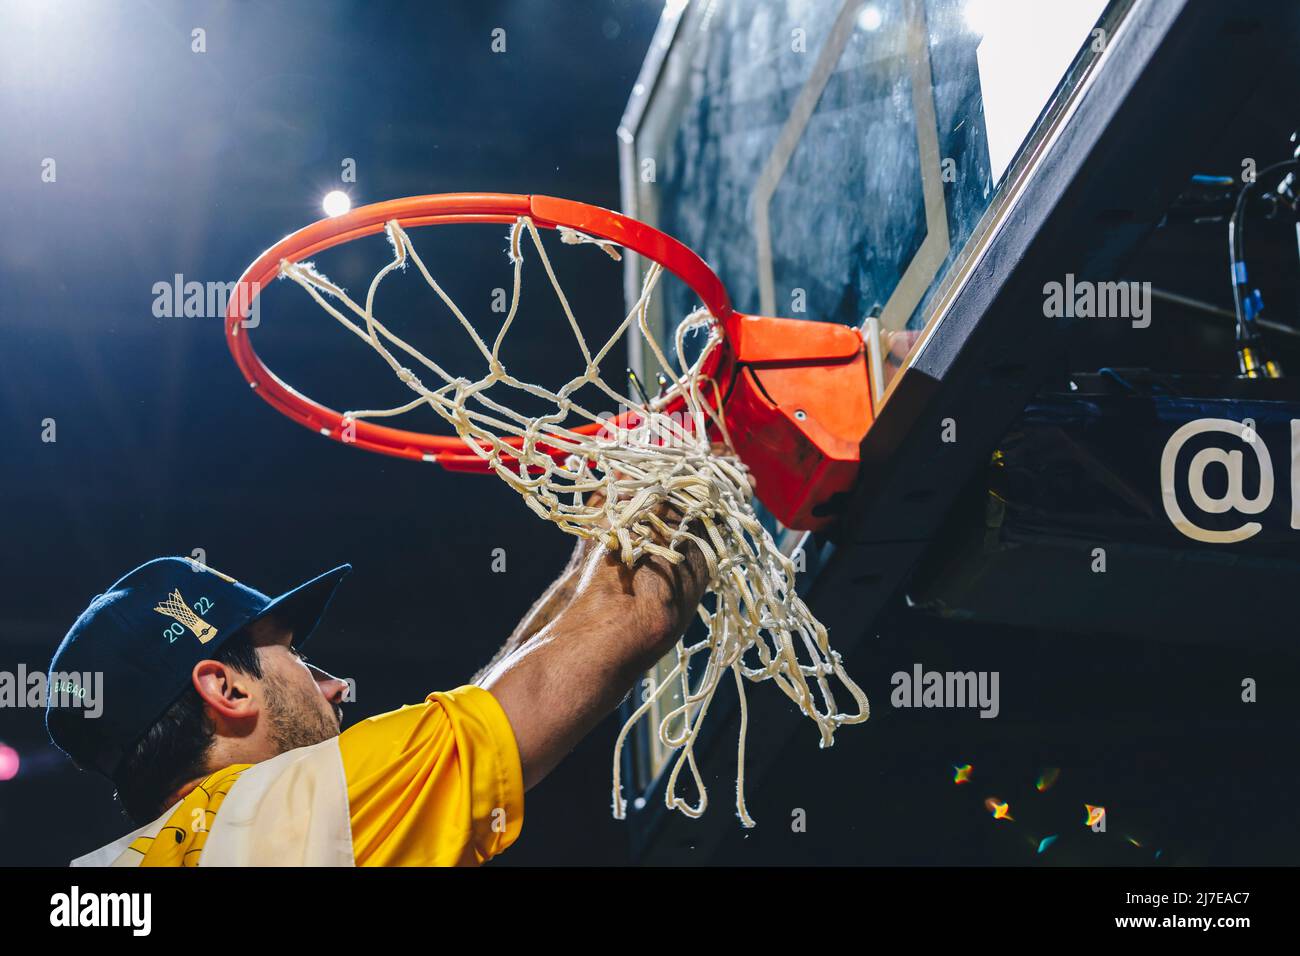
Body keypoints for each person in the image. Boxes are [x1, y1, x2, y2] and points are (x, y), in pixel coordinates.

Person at [46, 499, 710, 866]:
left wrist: (602, 532)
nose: (333, 686)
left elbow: (500, 692)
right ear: (228, 689)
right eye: (296, 658)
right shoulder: (293, 813)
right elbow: (632, 617)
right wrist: (673, 467)